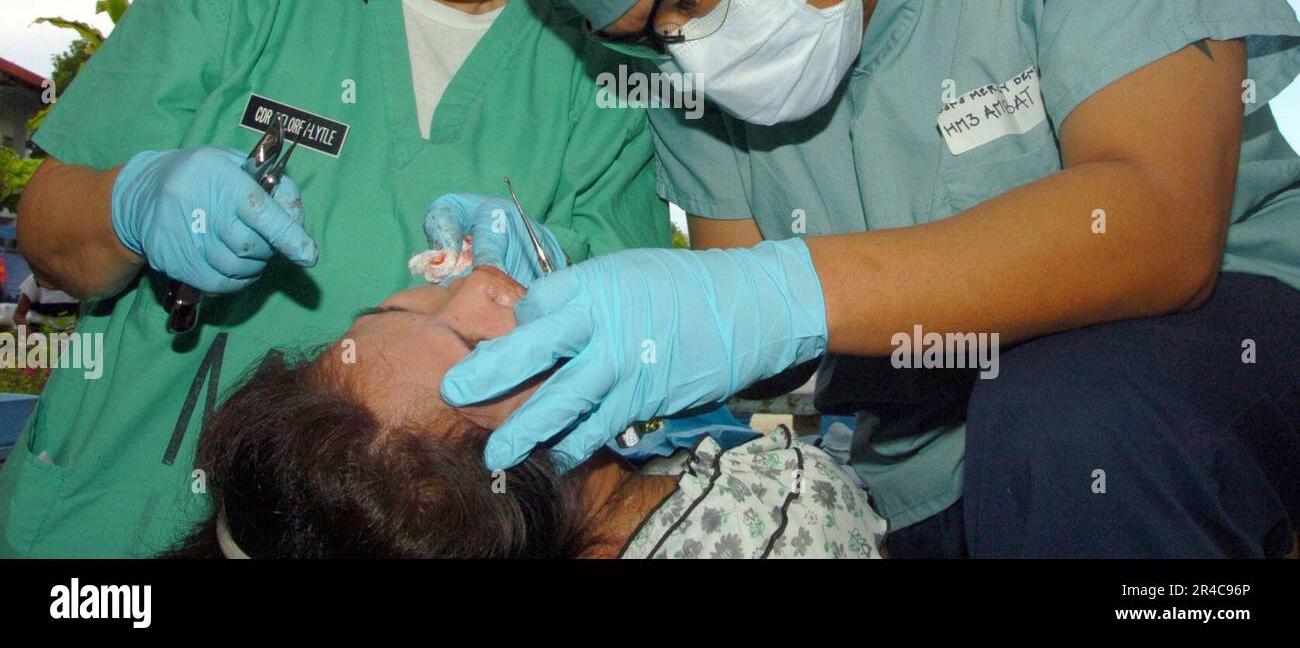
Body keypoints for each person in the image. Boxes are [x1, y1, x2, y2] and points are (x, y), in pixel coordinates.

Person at [433, 0, 1300, 558]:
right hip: (918, 475)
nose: (693, 53)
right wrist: (574, 313)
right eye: (652, 36)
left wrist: (776, 293)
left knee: (1066, 417)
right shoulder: (690, 72)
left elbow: (1157, 226)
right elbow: (768, 359)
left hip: (1202, 348)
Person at [0, 0, 667, 558]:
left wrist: (558, 284)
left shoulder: (601, 48)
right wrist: (131, 206)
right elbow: (49, 237)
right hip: (106, 518)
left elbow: (638, 347)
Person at [163, 266, 886, 559]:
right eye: (472, 337)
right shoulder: (788, 514)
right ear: (529, 458)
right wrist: (777, 295)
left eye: (391, 307)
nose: (477, 277)